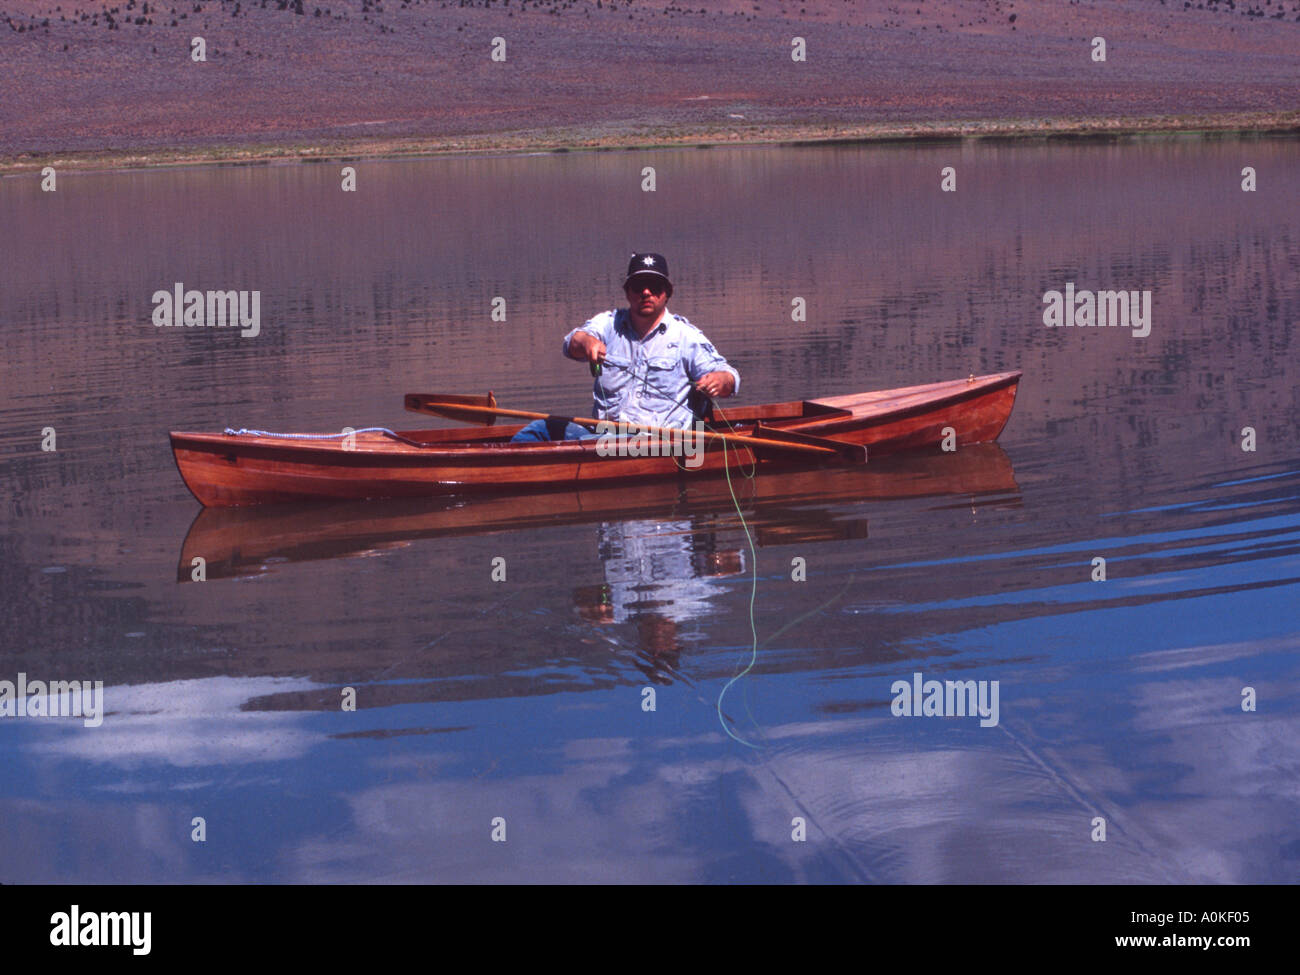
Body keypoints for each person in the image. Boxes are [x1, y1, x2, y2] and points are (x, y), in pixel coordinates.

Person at [511, 253, 740, 442]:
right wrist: (587, 343)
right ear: (628, 291)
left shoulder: (686, 337)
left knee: (583, 444)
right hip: (603, 433)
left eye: (655, 286)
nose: (646, 293)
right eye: (639, 286)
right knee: (538, 430)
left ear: (667, 293)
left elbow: (730, 377)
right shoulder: (608, 324)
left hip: (657, 442)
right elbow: (572, 343)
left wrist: (720, 381)